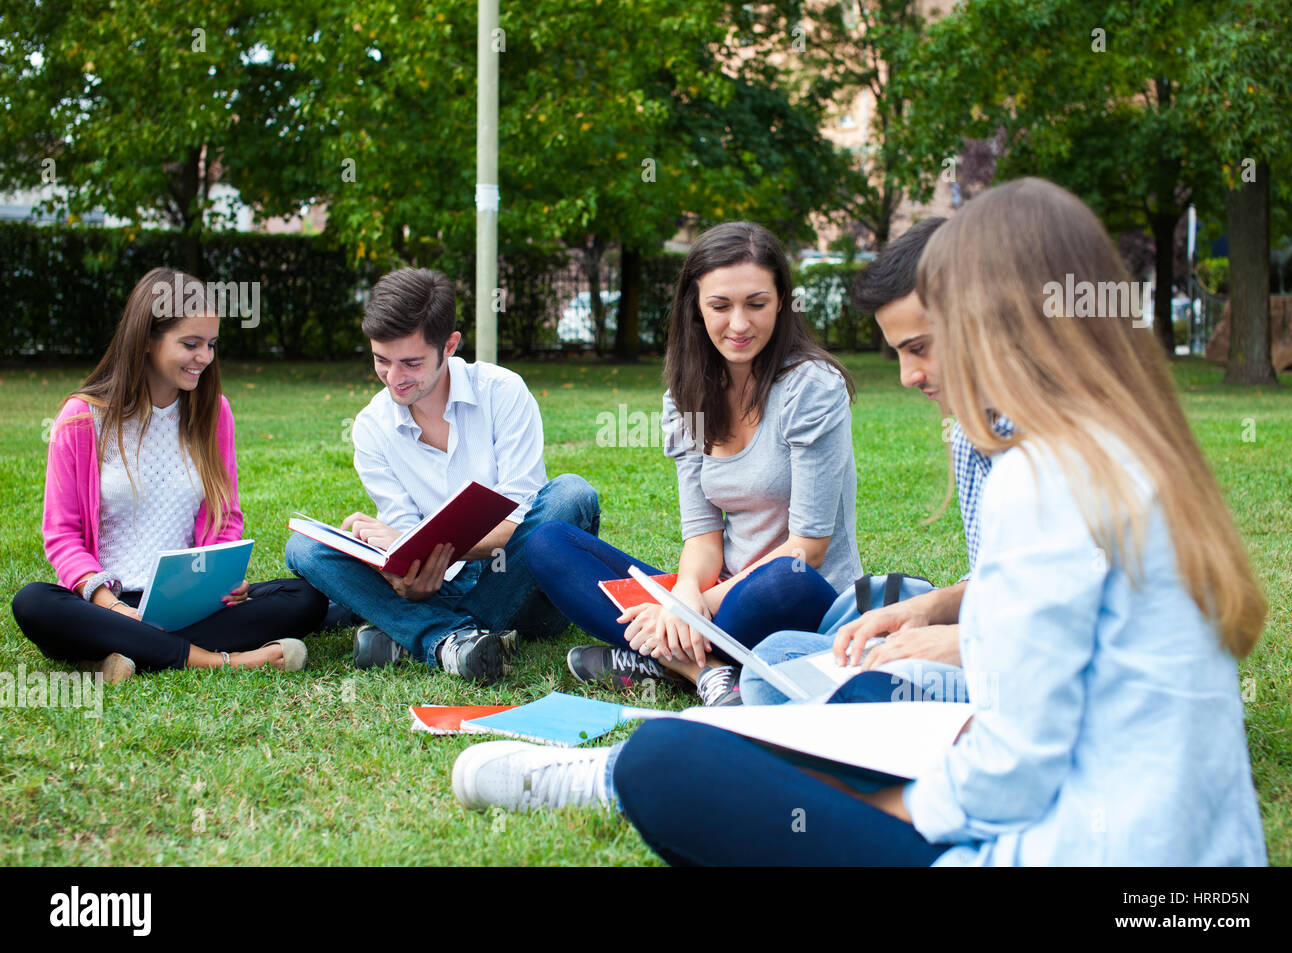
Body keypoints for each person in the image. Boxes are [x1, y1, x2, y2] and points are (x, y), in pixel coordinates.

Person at [608, 178, 1268, 865]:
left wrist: (845, 801)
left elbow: (1011, 775)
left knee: (663, 759)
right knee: (774, 686)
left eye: (930, 340)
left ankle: (611, 766)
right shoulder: (1136, 451)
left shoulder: (1045, 476)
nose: (908, 375)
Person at [519, 221, 862, 708]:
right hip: (719, 595)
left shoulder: (811, 387)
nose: (739, 324)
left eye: (756, 304)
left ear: (782, 301)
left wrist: (687, 612)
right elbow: (702, 537)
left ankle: (662, 656)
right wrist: (682, 596)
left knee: (784, 578)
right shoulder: (687, 399)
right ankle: (703, 668)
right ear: (697, 308)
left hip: (796, 594)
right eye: (720, 307)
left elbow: (808, 546)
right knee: (549, 543)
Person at [740, 216, 1013, 705]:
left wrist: (962, 643)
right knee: (773, 662)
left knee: (795, 684)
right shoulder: (975, 429)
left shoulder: (1061, 440)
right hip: (995, 640)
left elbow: (1090, 616)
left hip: (1036, 677)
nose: (908, 376)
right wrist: (930, 608)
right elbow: (1002, 580)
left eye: (921, 349)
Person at [284, 267, 598, 685]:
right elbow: (405, 533)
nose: (394, 378)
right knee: (305, 547)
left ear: (449, 346)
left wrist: (442, 554)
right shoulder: (371, 426)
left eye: (411, 362)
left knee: (572, 495)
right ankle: (449, 637)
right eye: (381, 360)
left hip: (519, 582)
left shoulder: (502, 392)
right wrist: (403, 574)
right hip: (438, 586)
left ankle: (409, 631)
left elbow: (526, 520)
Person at [11, 269, 328, 681]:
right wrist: (117, 608)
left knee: (304, 598)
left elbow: (225, 515)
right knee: (34, 603)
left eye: (211, 344)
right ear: (146, 340)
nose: (205, 358)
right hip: (106, 603)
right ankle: (222, 660)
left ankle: (119, 655)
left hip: (187, 603)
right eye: (191, 344)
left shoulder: (213, 412)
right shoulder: (80, 419)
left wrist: (222, 576)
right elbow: (62, 537)